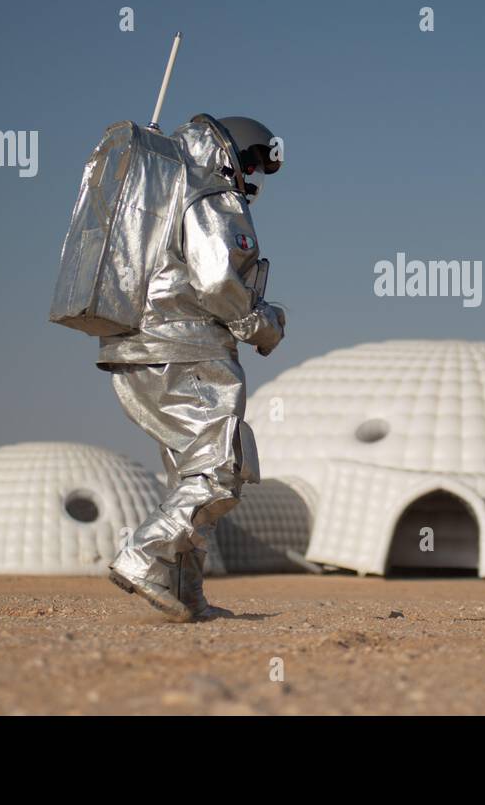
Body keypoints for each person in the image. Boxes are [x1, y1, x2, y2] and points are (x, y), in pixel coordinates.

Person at [104, 114, 285, 622]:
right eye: (254, 166)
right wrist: (261, 322)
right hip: (190, 348)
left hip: (139, 347)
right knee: (221, 469)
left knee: (189, 471)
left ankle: (185, 591)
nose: (254, 181)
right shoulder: (210, 196)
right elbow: (215, 282)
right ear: (236, 155)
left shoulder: (163, 199)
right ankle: (145, 555)